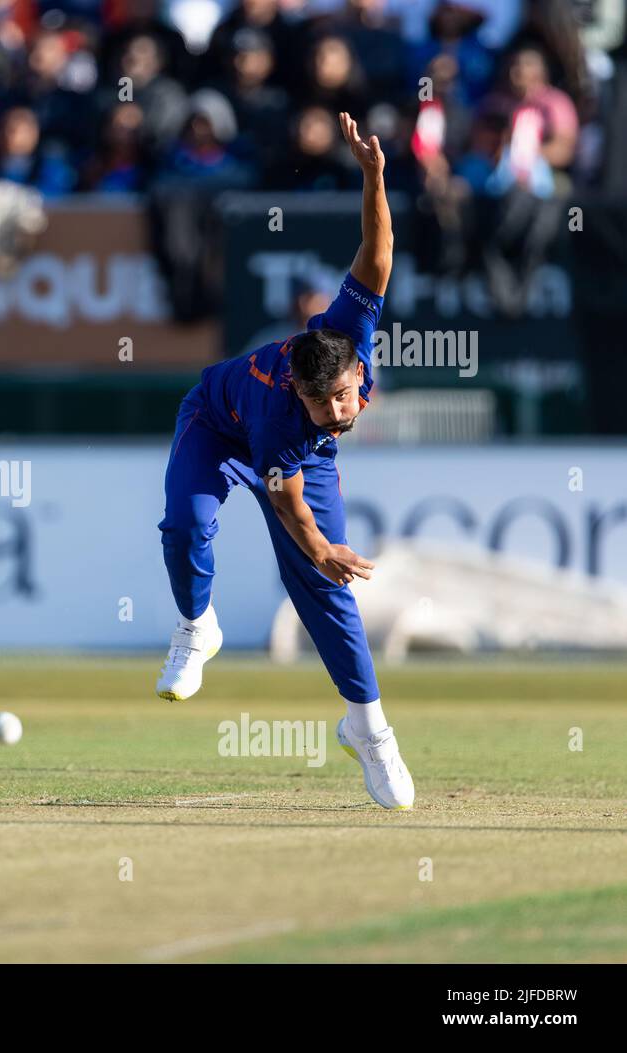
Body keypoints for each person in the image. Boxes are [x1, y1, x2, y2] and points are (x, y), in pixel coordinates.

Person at [155, 113, 414, 811]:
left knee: (327, 595)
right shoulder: (282, 421)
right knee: (185, 525)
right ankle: (194, 626)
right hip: (216, 422)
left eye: (342, 397)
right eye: (320, 401)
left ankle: (369, 730)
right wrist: (322, 545)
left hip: (301, 461)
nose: (336, 410)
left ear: (357, 368)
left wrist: (374, 175)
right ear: (297, 388)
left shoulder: (350, 328)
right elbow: (289, 504)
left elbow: (378, 248)